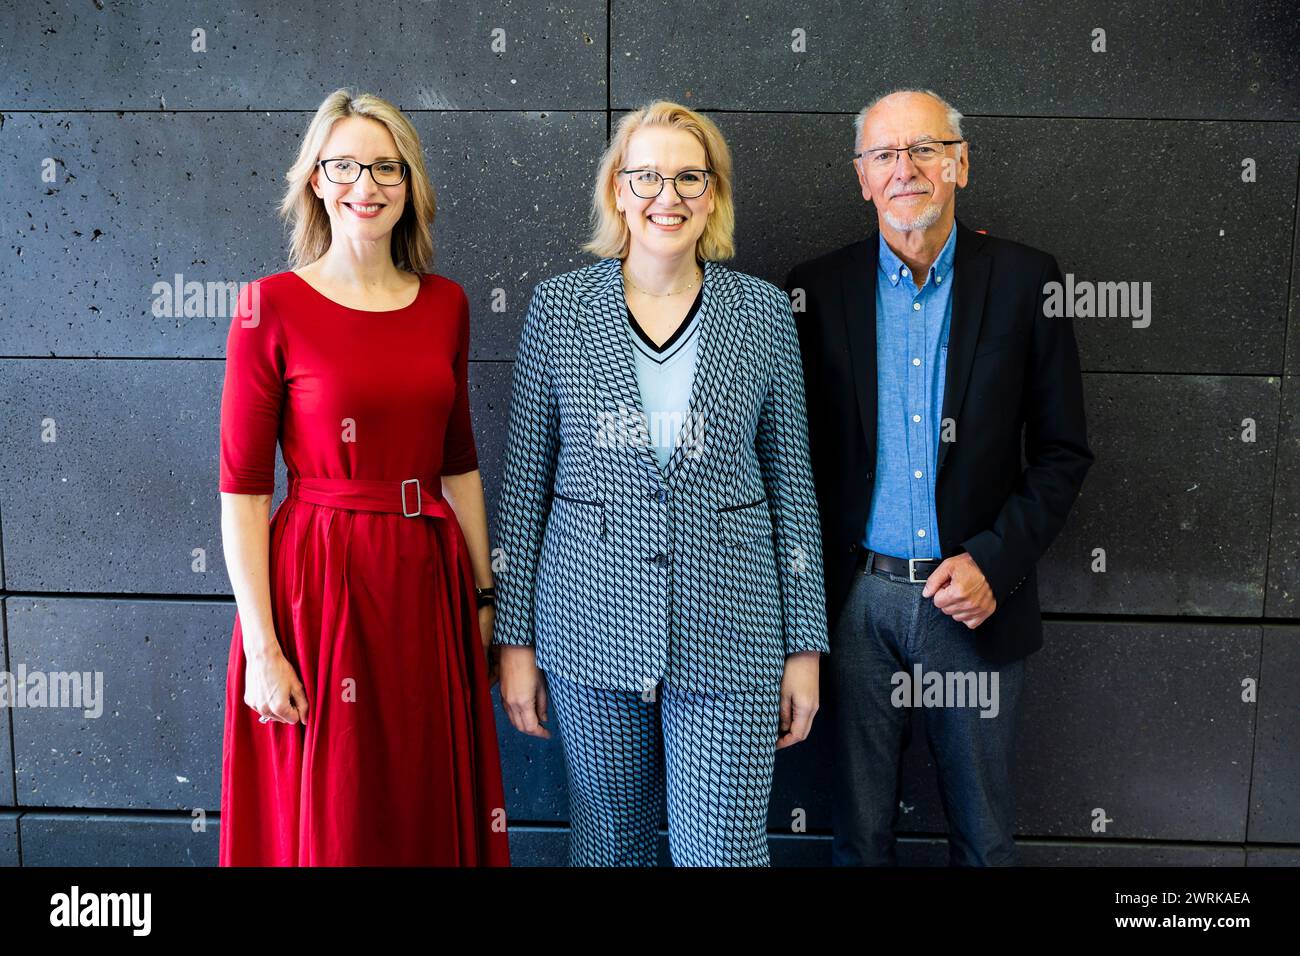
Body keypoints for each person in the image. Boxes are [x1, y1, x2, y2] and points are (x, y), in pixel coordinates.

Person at [492, 100, 828, 866]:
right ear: (617, 189)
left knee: (723, 853)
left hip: (734, 632)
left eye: (687, 177)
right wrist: (514, 642)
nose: (665, 196)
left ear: (713, 195)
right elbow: (523, 485)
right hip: (588, 628)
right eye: (645, 176)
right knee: (611, 847)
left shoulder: (764, 313)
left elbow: (793, 486)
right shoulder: (561, 309)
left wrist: (804, 648)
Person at [785, 89, 1093, 865]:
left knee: (984, 836)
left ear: (959, 162)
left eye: (924, 149)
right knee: (858, 837)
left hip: (974, 600)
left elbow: (1062, 452)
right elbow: (790, 460)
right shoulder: (814, 290)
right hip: (854, 604)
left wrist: (994, 560)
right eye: (884, 155)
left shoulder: (1027, 280)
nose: (905, 169)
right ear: (862, 177)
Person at [217, 88, 509, 866]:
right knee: (339, 814)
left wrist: (484, 599)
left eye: (387, 166)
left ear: (409, 183)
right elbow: (244, 491)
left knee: (420, 801)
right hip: (319, 584)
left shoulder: (445, 304)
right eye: (344, 165)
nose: (367, 184)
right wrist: (262, 646)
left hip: (426, 581)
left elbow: (460, 465)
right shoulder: (266, 307)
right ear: (315, 178)